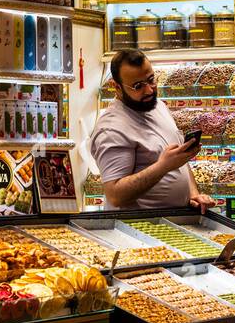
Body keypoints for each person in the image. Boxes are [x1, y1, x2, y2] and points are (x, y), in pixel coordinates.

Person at [90, 48, 215, 211]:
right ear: (117, 87)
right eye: (137, 86)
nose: (149, 90)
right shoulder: (112, 128)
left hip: (175, 221)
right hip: (139, 228)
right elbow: (115, 195)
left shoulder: (157, 106)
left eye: (151, 80)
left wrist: (193, 194)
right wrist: (163, 166)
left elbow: (178, 161)